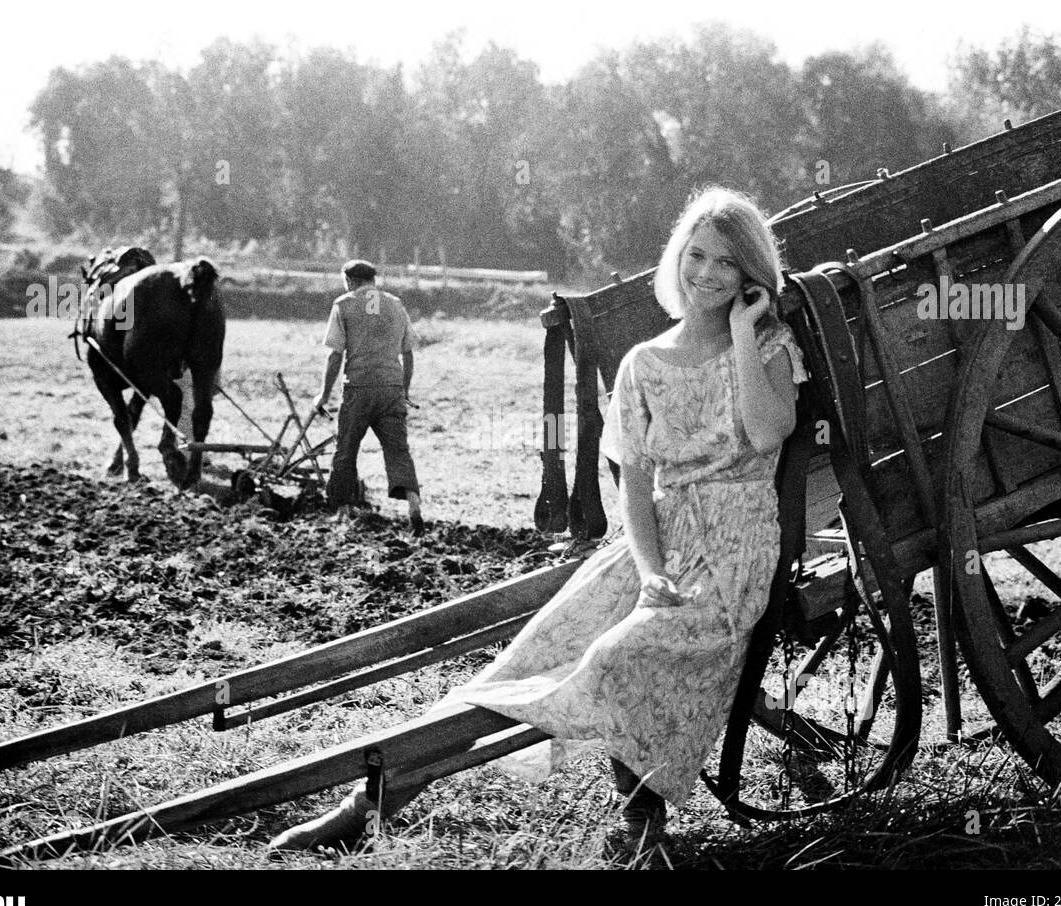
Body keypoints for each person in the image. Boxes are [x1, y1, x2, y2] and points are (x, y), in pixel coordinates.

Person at [272, 187, 807, 854]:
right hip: (655, 546)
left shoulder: (767, 346)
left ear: (750, 273)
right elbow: (636, 491)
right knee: (520, 665)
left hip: (733, 551)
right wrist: (648, 573)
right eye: (696, 256)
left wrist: (738, 333)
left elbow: (767, 432)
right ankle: (368, 800)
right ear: (677, 259)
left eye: (728, 264)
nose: (707, 274)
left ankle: (642, 823)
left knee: (622, 652)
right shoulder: (644, 364)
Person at [313, 259, 424, 535]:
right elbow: (408, 353)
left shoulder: (343, 304)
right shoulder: (395, 304)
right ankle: (414, 507)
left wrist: (323, 395)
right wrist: (405, 391)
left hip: (358, 390)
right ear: (372, 280)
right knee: (398, 451)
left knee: (346, 449)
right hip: (391, 390)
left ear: (349, 280)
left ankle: (341, 511)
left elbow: (335, 354)